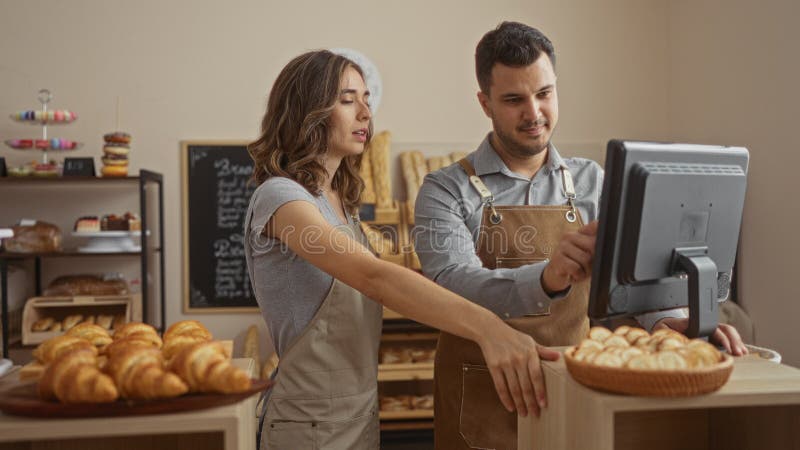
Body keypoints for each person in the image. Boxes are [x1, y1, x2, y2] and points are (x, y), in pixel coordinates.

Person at [413, 21, 748, 450]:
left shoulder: (594, 181)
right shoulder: (444, 189)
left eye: (544, 93)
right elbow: (450, 284)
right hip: (482, 398)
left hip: (577, 389)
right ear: (485, 103)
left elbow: (631, 279)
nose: (533, 113)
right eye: (514, 99)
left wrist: (669, 322)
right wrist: (547, 278)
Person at [245, 49, 552, 450]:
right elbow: (375, 278)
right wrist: (489, 328)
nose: (365, 114)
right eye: (347, 100)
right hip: (307, 426)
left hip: (358, 418)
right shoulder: (280, 198)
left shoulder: (341, 203)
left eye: (367, 100)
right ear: (307, 110)